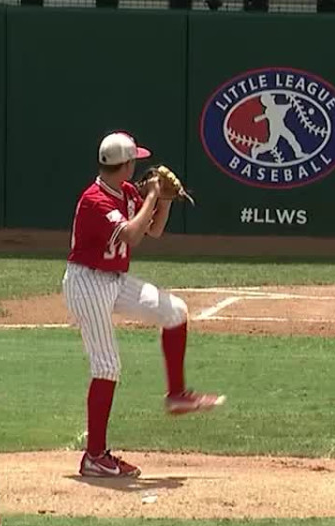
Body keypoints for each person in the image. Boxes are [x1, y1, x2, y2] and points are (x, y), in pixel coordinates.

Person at [63, 131, 225, 479]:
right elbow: (132, 235)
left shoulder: (126, 192)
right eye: (134, 159)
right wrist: (153, 194)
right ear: (125, 164)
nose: (138, 164)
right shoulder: (95, 200)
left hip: (114, 280)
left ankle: (177, 394)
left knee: (175, 311)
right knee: (107, 367)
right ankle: (94, 456)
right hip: (86, 283)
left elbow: (154, 231)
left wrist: (162, 200)